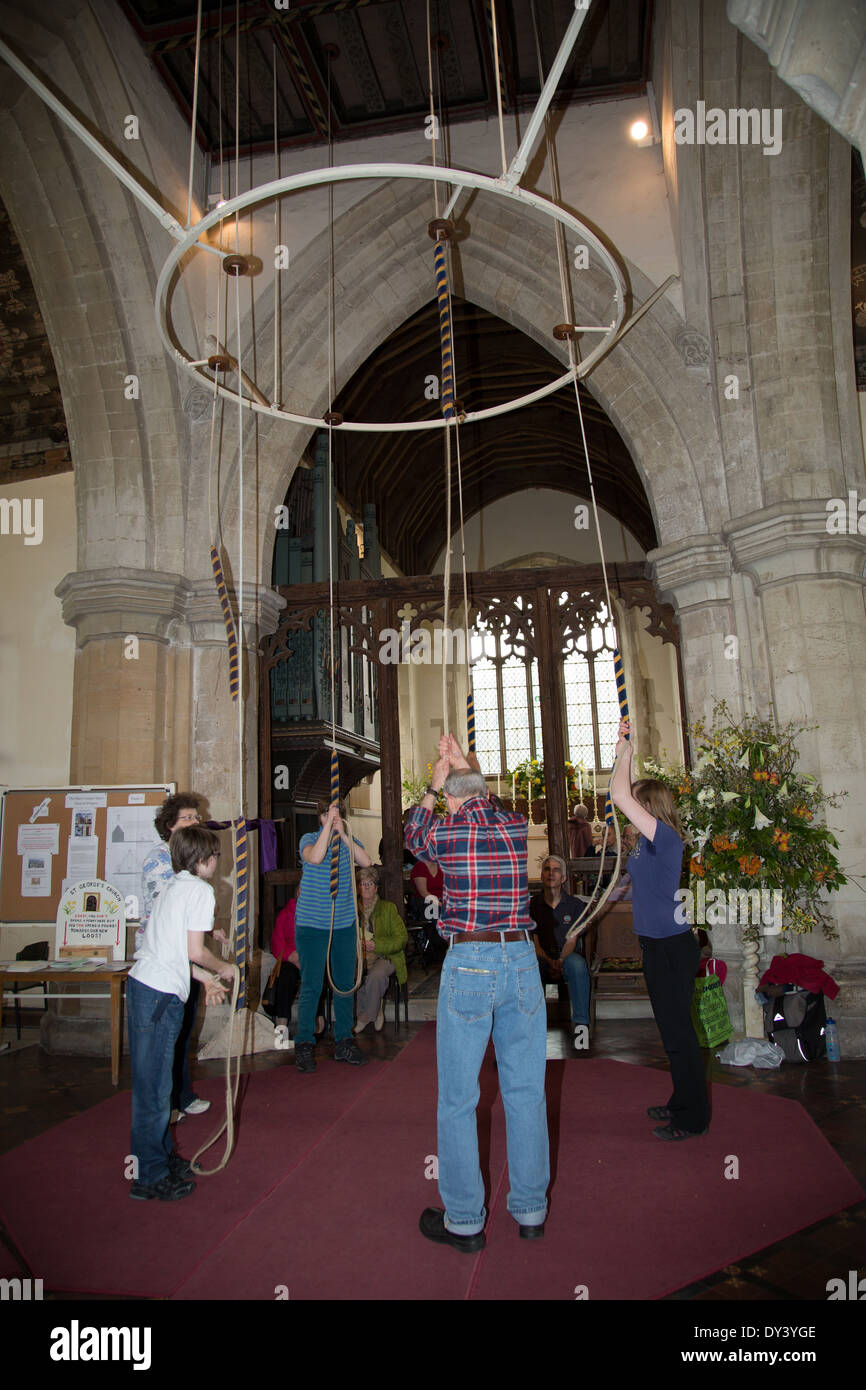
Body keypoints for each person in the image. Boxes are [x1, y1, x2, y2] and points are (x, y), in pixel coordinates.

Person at [406, 734, 548, 1252]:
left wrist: (434, 781)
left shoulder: (443, 832)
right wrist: (463, 769)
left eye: (446, 796)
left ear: (450, 798)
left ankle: (464, 1220)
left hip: (471, 960)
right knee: (526, 1091)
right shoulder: (513, 825)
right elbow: (482, 800)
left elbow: (411, 833)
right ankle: (531, 1209)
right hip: (522, 959)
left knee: (459, 1098)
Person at [609, 716, 709, 1141]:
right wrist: (621, 752)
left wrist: (627, 754)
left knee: (680, 1035)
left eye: (635, 806)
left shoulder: (667, 839)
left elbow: (616, 793)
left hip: (673, 947)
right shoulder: (649, 844)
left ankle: (693, 1118)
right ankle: (680, 1101)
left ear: (648, 809)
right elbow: (620, 792)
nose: (626, 812)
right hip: (655, 946)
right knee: (670, 1033)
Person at [127, 825, 237, 1201]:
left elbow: (172, 950)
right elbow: (195, 950)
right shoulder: (200, 891)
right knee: (156, 1091)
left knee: (154, 1085)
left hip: (146, 986)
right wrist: (224, 968)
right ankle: (150, 1176)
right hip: (159, 996)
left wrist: (206, 981)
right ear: (205, 859)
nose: (217, 862)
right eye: (216, 856)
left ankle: (157, 1157)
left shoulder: (174, 887)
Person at [139, 792, 226, 1120]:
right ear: (169, 825)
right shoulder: (160, 861)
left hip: (182, 961)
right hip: (164, 960)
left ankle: (181, 1094)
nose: (195, 822)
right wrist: (217, 970)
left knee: (184, 1028)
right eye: (188, 818)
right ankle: (168, 1103)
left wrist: (211, 926)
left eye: (196, 818)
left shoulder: (190, 872)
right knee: (167, 1039)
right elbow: (171, 913)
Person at [293, 799, 372, 1074]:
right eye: (327, 813)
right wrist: (329, 828)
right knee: (312, 985)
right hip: (312, 925)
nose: (332, 817)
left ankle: (344, 1041)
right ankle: (303, 1043)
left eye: (336, 813)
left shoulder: (348, 840)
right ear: (320, 817)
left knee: (343, 985)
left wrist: (344, 834)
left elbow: (366, 860)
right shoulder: (309, 839)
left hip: (343, 924)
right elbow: (314, 857)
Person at [529, 855, 591, 1049]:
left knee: (577, 964)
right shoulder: (532, 905)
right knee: (529, 965)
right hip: (542, 957)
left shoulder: (576, 906)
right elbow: (534, 941)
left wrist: (562, 960)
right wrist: (548, 960)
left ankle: (581, 1027)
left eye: (556, 870)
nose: (551, 873)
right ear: (541, 875)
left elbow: (572, 939)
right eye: (547, 869)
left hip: (567, 957)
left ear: (563, 878)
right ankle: (530, 1030)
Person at [353, 867, 408, 1032]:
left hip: (386, 956)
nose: (367, 887)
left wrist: (376, 945)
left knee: (375, 976)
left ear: (376, 888)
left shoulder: (388, 908)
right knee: (351, 977)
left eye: (370, 883)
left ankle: (364, 1017)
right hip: (359, 957)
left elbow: (401, 939)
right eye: (363, 883)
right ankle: (376, 1011)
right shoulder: (352, 910)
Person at [267, 884, 301, 1047]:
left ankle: (317, 1022)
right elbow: (276, 944)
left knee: (318, 976)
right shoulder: (286, 914)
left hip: (311, 958)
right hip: (291, 960)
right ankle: (281, 1027)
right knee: (285, 977)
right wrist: (291, 955)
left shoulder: (318, 914)